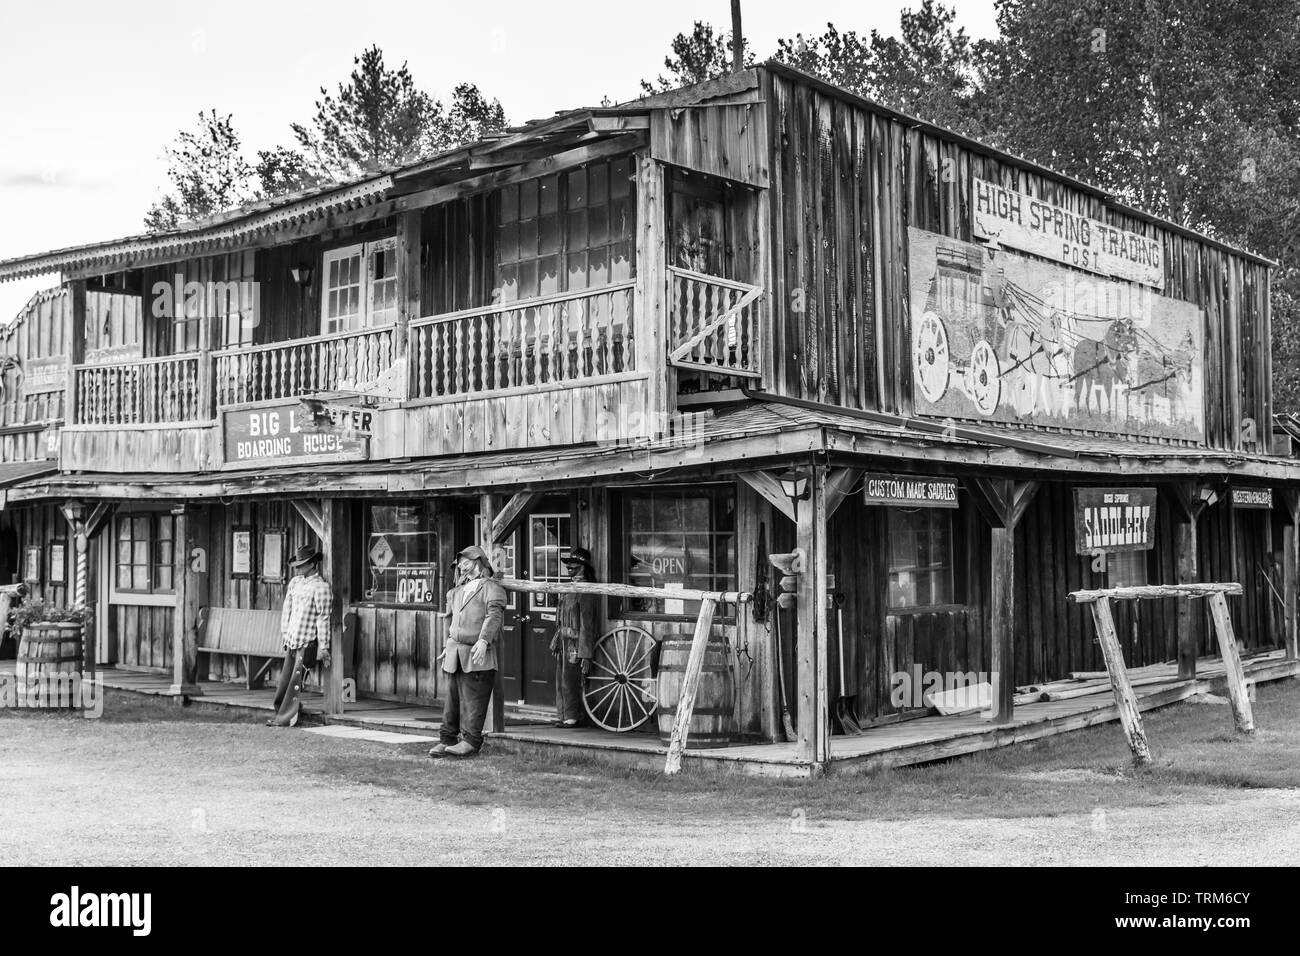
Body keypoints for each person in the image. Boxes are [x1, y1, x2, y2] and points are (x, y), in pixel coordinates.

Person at [429, 545, 506, 758]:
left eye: (466, 560)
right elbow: (450, 619)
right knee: (452, 700)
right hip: (455, 652)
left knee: (475, 699)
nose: (462, 565)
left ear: (478, 561)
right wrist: (448, 645)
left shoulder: (491, 587)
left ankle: (471, 741)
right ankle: (447, 739)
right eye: (460, 562)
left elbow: (494, 615)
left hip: (477, 652)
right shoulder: (457, 591)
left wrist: (483, 640)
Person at [269, 543, 332, 727]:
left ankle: (285, 718)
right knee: (285, 679)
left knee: (295, 682)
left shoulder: (321, 587)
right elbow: (287, 609)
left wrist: (324, 645)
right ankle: (280, 712)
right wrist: (284, 633)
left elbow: (323, 618)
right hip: (292, 639)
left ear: (313, 564)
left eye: (302, 564)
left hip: (307, 642)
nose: (298, 568)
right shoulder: (295, 583)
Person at [551, 547, 597, 727]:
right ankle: (562, 714)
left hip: (575, 643)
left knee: (571, 680)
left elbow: (588, 624)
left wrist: (586, 654)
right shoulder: (568, 589)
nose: (569, 567)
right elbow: (561, 617)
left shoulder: (586, 590)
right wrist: (556, 637)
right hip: (563, 641)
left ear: (583, 566)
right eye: (568, 565)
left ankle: (572, 716)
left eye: (573, 565)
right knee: (560, 680)